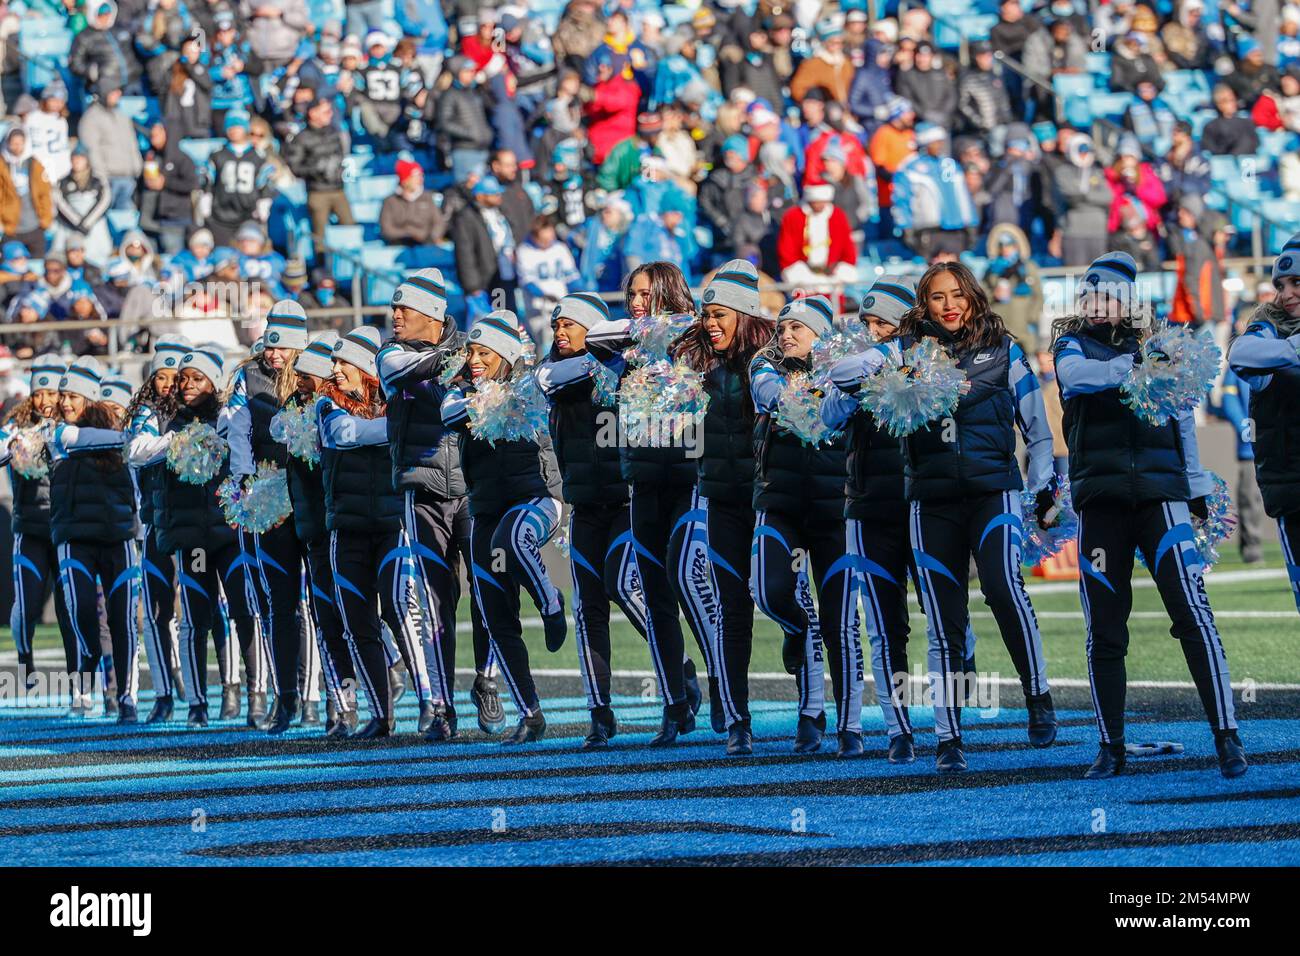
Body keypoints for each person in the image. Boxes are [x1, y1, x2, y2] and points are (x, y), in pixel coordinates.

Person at [831, 262, 1057, 772]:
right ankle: (949, 738)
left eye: (957, 294)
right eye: (937, 298)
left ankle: (1037, 695)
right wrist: (889, 363)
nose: (949, 305)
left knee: (1003, 588)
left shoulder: (1004, 350)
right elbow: (840, 373)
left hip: (991, 492)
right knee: (942, 622)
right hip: (929, 501)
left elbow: (1038, 431)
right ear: (924, 304)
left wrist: (1043, 485)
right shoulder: (908, 348)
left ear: (973, 297)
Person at [1055, 252, 1245, 779]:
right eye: (1090, 294)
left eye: (1108, 295)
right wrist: (1141, 365)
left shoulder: (1165, 345)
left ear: (1129, 301)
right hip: (1102, 502)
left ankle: (1226, 736)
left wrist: (1196, 486)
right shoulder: (1070, 343)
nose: (1097, 304)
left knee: (1191, 616)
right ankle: (1111, 744)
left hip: (1162, 498)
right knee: (1107, 630)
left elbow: (1183, 419)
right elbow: (1078, 378)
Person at [375, 268, 497, 741]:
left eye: (405, 308)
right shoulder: (392, 354)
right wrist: (460, 357)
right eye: (395, 307)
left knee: (489, 588)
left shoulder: (472, 348)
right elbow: (407, 370)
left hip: (472, 487)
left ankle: (487, 678)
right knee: (435, 601)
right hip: (421, 491)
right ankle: (439, 705)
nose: (396, 315)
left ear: (432, 315)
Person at [536, 293, 658, 748]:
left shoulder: (624, 369)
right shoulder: (556, 372)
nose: (561, 333)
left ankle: (676, 677)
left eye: (571, 324)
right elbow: (550, 377)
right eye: (557, 326)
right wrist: (607, 356)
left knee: (626, 587)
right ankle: (599, 712)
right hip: (584, 507)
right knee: (586, 610)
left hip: (627, 504)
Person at [439, 311, 566, 744]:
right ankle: (530, 713)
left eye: (483, 353)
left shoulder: (531, 385)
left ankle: (551, 601)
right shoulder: (460, 393)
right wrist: (482, 394)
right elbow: (449, 413)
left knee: (512, 538)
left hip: (537, 501)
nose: (473, 360)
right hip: (485, 510)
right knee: (495, 614)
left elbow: (552, 382)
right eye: (470, 352)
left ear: (508, 355)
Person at [668, 260, 775, 756]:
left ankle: (814, 705)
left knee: (783, 597)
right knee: (733, 608)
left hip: (772, 499)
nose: (710, 323)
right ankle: (738, 721)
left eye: (720, 315)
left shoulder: (774, 356)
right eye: (706, 315)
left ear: (745, 314)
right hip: (720, 496)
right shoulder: (692, 359)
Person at [134, 344, 268, 727]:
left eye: (197, 378)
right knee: (196, 617)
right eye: (184, 379)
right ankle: (197, 704)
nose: (188, 385)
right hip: (192, 539)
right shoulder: (165, 418)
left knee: (245, 611)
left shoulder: (230, 415)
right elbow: (138, 452)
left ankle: (255, 695)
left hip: (229, 534)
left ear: (213, 382)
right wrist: (181, 441)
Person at [749, 295, 860, 755]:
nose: (787, 334)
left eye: (798, 327)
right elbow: (771, 395)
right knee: (771, 592)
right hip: (781, 501)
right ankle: (797, 634)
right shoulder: (764, 363)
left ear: (822, 334)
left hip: (834, 506)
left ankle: (841, 721)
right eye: (784, 326)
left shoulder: (848, 366)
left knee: (840, 620)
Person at [318, 324, 433, 738]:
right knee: (357, 622)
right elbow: (343, 433)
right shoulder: (326, 403)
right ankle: (381, 714)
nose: (334, 369)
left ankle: (429, 702)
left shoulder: (400, 397)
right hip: (345, 528)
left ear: (367, 367)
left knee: (403, 612)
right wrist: (393, 429)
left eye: (342, 361)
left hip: (392, 524)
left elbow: (376, 431)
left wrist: (391, 426)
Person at [222, 302, 322, 734]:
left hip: (313, 496)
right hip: (271, 495)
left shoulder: (317, 371)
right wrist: (245, 481)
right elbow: (238, 429)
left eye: (283, 346)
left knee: (322, 602)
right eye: (270, 343)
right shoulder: (249, 377)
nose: (274, 353)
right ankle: (285, 699)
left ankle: (323, 698)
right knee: (280, 605)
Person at [272, 332, 357, 737]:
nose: (300, 381)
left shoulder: (345, 407)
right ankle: (338, 706)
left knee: (358, 615)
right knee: (326, 617)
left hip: (345, 523)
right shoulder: (295, 407)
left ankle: (394, 681)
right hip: (314, 528)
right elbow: (279, 433)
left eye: (308, 374)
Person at [47, 356, 141, 722]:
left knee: (122, 621)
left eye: (73, 396)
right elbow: (76, 440)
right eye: (62, 395)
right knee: (81, 609)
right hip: (74, 537)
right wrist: (126, 439)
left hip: (118, 537)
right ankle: (87, 655)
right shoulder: (59, 433)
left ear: (90, 398)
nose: (65, 403)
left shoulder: (122, 433)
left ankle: (127, 697)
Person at [1228, 234, 1300, 618]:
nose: (1286, 293)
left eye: (1297, 283)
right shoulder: (1270, 327)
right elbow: (1241, 353)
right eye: (1281, 285)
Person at [123, 335, 191, 723]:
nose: (168, 385)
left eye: (175, 376)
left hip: (198, 524)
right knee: (155, 611)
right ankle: (163, 694)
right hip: (156, 522)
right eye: (161, 377)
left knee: (210, 610)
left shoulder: (201, 407)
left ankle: (222, 692)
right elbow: (135, 452)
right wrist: (177, 441)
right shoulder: (147, 412)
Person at [1, 355, 73, 693]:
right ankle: (25, 657)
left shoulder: (72, 426)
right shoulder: (15, 425)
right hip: (29, 528)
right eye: (38, 393)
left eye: (51, 392)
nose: (45, 400)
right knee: (26, 604)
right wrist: (16, 443)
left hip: (67, 530)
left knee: (70, 606)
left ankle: (78, 679)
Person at [284, 97, 354, 254]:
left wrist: (337, 167)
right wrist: (317, 169)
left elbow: (340, 155)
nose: (330, 115)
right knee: (319, 236)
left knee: (350, 227)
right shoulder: (301, 138)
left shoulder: (334, 131)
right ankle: (322, 271)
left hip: (338, 189)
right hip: (318, 192)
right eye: (326, 111)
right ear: (313, 113)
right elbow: (295, 167)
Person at [206, 111, 276, 249]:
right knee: (224, 256)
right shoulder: (217, 154)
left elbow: (264, 183)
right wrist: (206, 199)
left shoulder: (258, 156)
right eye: (230, 127)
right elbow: (208, 180)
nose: (234, 130)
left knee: (248, 256)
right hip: (221, 215)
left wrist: (264, 202)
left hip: (248, 214)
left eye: (238, 126)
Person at [516, 215, 579, 354]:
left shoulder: (560, 248)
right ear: (534, 236)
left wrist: (582, 292)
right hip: (538, 309)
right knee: (544, 347)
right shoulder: (525, 251)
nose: (548, 241)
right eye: (543, 239)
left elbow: (572, 277)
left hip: (561, 305)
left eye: (551, 237)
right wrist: (543, 294)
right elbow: (527, 281)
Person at [379, 159, 446, 246]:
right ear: (405, 180)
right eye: (416, 176)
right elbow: (386, 229)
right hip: (399, 245)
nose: (420, 179)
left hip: (426, 244)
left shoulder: (428, 197)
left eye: (421, 175)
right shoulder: (390, 201)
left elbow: (439, 223)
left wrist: (431, 238)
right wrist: (409, 234)